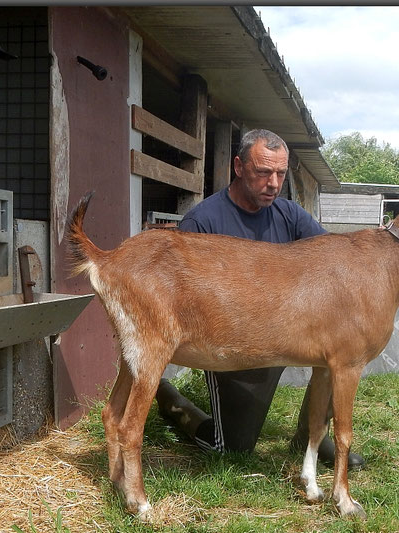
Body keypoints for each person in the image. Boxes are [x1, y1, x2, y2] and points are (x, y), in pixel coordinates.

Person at [154, 128, 365, 469]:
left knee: (342, 350)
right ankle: (172, 402)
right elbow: (184, 297)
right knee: (233, 449)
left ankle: (310, 437)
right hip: (230, 344)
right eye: (263, 172)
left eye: (280, 174)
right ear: (238, 167)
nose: (273, 183)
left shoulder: (290, 215)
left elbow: (332, 256)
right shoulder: (202, 222)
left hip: (285, 334)